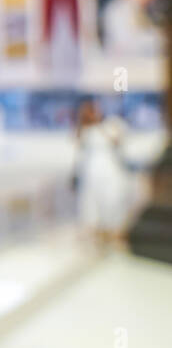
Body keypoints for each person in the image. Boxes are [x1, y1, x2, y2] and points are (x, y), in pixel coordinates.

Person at [75, 99, 131, 244]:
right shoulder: (86, 129)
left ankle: (114, 230)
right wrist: (83, 122)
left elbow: (116, 141)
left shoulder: (111, 124)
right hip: (92, 172)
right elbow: (79, 143)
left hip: (110, 171)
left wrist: (99, 124)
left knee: (112, 199)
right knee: (92, 203)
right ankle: (98, 231)